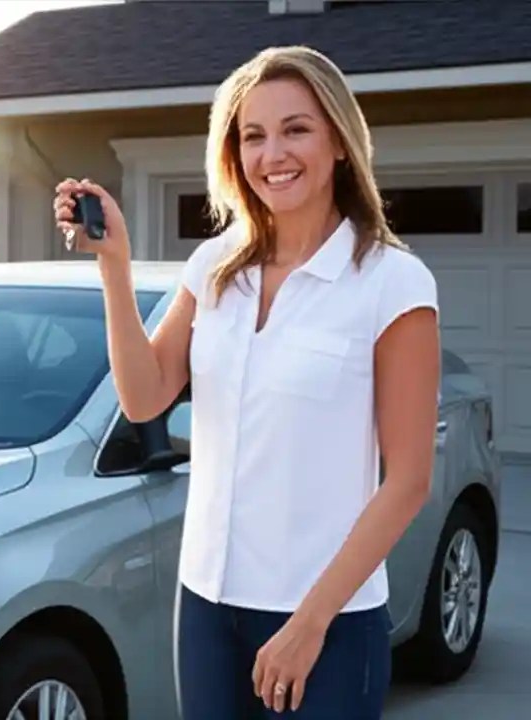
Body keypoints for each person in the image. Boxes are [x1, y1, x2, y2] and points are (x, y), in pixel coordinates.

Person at [53, 45, 439, 719]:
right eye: (253, 135)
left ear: (340, 143)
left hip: (328, 621)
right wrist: (113, 262)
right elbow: (145, 397)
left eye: (296, 129)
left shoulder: (391, 282)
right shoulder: (214, 266)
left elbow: (408, 480)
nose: (272, 153)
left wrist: (309, 624)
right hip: (206, 605)